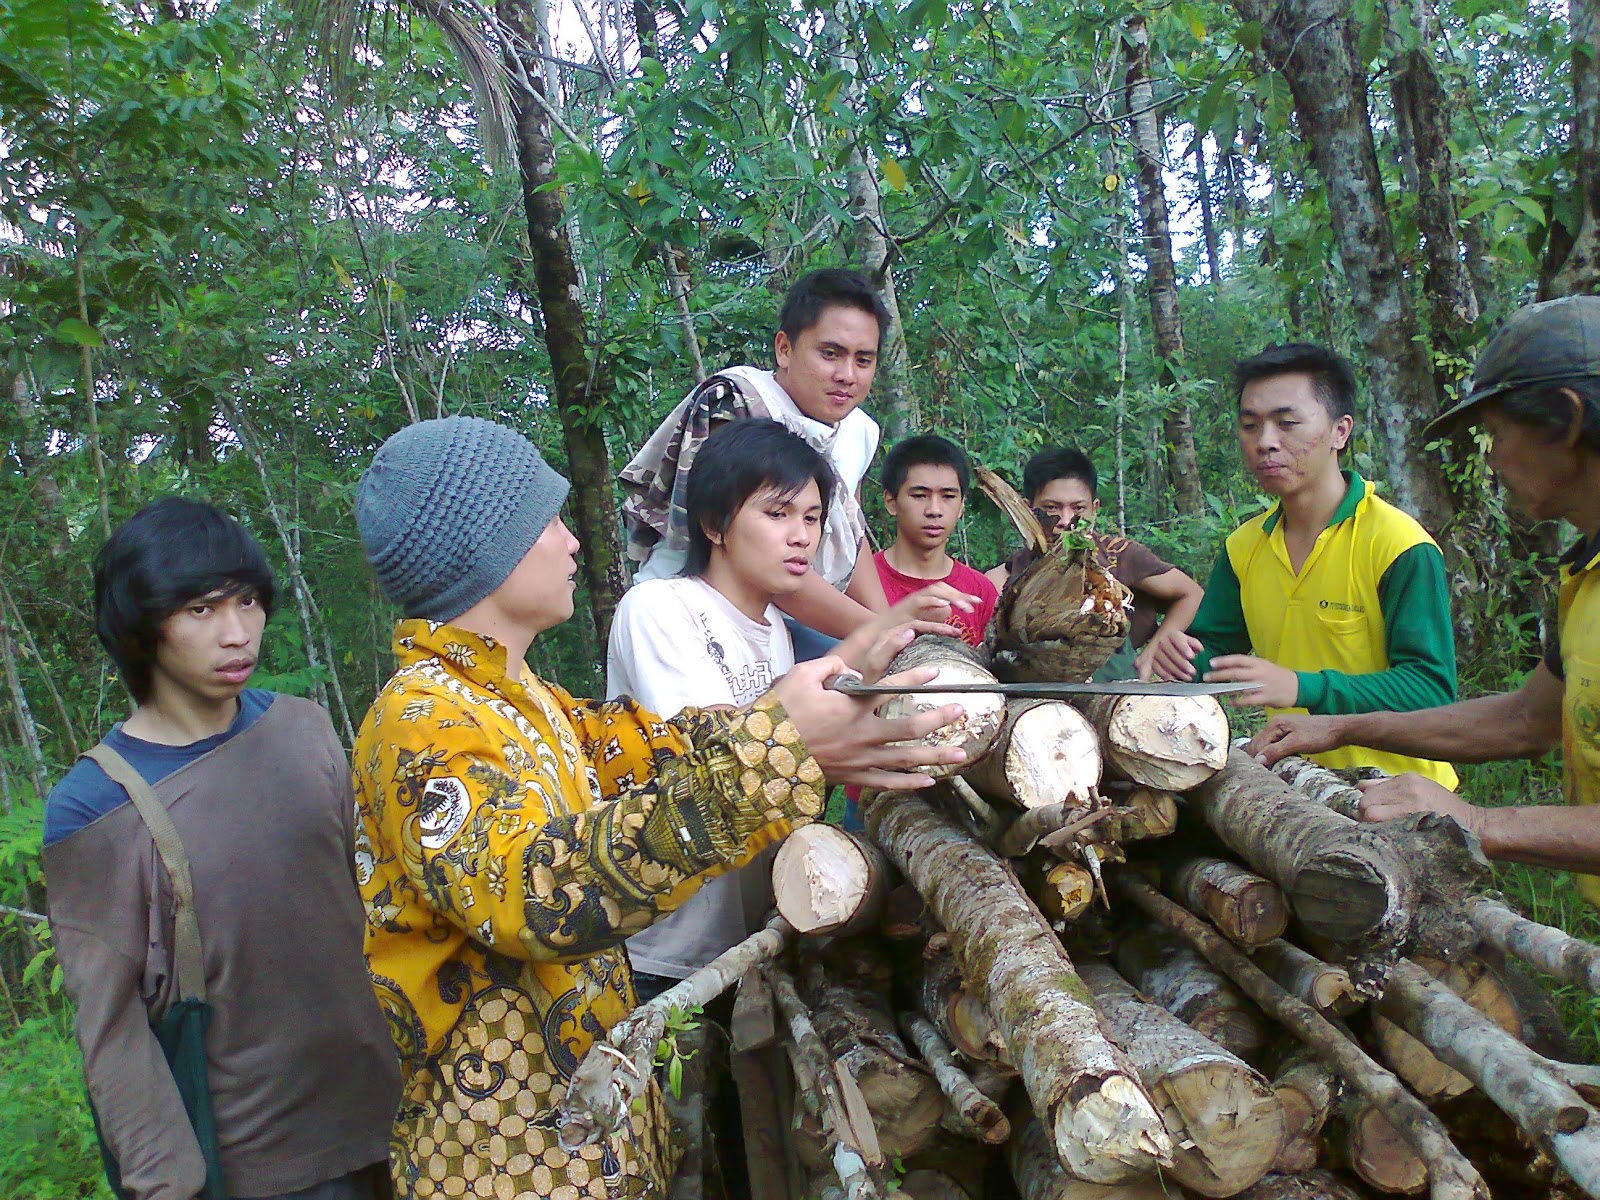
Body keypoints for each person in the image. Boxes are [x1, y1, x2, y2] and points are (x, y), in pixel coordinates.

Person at [353, 415, 965, 1198]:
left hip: (590, 1135)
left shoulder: (524, 701)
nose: (574, 542)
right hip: (505, 1160)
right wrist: (779, 749)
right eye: (549, 522)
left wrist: (800, 727)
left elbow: (650, 744)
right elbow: (533, 892)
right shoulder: (422, 722)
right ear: (487, 549)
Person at [42, 498, 399, 1200]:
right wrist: (165, 1185)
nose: (237, 633)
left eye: (247, 602)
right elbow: (115, 1036)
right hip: (265, 1165)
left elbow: (377, 900)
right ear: (143, 624)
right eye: (201, 610)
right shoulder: (96, 806)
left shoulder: (303, 729)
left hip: (400, 1114)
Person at [1247, 298, 1600, 899]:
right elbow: (1527, 719)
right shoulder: (1584, 579)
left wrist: (1479, 822)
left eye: (1495, 435)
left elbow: (1432, 681)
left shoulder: (1396, 542)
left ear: (1565, 421)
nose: (1493, 462)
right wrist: (1340, 728)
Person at [609, 419, 949, 998]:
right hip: (668, 953)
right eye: (777, 514)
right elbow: (722, 747)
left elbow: (789, 725)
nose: (801, 537)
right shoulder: (660, 609)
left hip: (754, 938)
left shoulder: (773, 629)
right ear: (715, 523)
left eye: (812, 518)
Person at [620, 267, 974, 657]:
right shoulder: (737, 404)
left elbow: (847, 534)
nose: (847, 375)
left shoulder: (860, 431)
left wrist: (895, 630)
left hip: (788, 618)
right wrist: (881, 629)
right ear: (784, 348)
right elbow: (756, 561)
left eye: (863, 360)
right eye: (830, 354)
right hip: (697, 614)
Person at [1150, 343, 1460, 789]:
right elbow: (1211, 654)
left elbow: (1430, 690)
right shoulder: (1244, 547)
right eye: (1250, 426)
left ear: (1340, 431)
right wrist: (1179, 660)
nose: (1266, 442)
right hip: (1299, 789)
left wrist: (1302, 688)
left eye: (1287, 422)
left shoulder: (1397, 544)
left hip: (1401, 792)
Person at [985, 446, 1204, 680]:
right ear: (1028, 510)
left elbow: (1190, 593)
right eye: (1051, 508)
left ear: (1095, 509)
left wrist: (1154, 649)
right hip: (1037, 708)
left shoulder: (1118, 556)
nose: (1066, 521)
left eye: (1078, 508)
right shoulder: (1004, 579)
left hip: (1120, 700)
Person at [873, 433, 999, 647]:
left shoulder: (980, 591)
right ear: (891, 502)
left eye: (948, 496)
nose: (935, 510)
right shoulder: (864, 581)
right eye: (920, 495)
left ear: (961, 506)